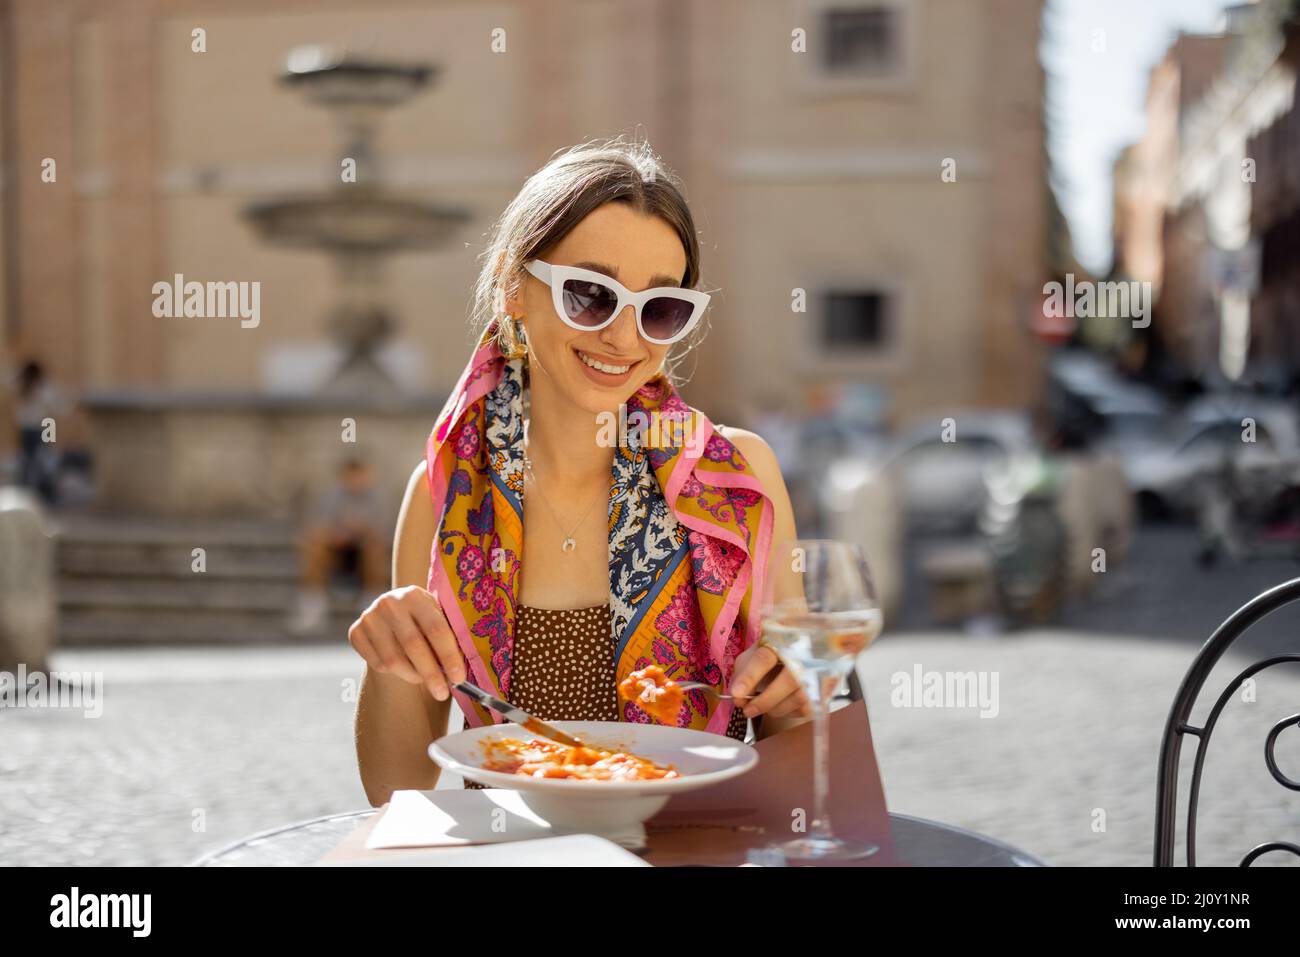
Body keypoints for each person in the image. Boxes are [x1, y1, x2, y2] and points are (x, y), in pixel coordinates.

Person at [350, 137, 809, 805]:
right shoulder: (443, 496)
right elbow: (395, 788)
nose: (625, 337)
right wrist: (390, 656)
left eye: (659, 308)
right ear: (514, 286)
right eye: (590, 294)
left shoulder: (737, 480)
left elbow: (795, 746)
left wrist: (803, 691)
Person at [289, 457, 389, 635]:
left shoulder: (378, 499)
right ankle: (312, 604)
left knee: (376, 547)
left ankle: (372, 603)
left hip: (365, 552)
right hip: (336, 551)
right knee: (314, 546)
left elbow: (384, 530)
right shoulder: (329, 498)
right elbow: (315, 527)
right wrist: (337, 533)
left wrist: (361, 531)